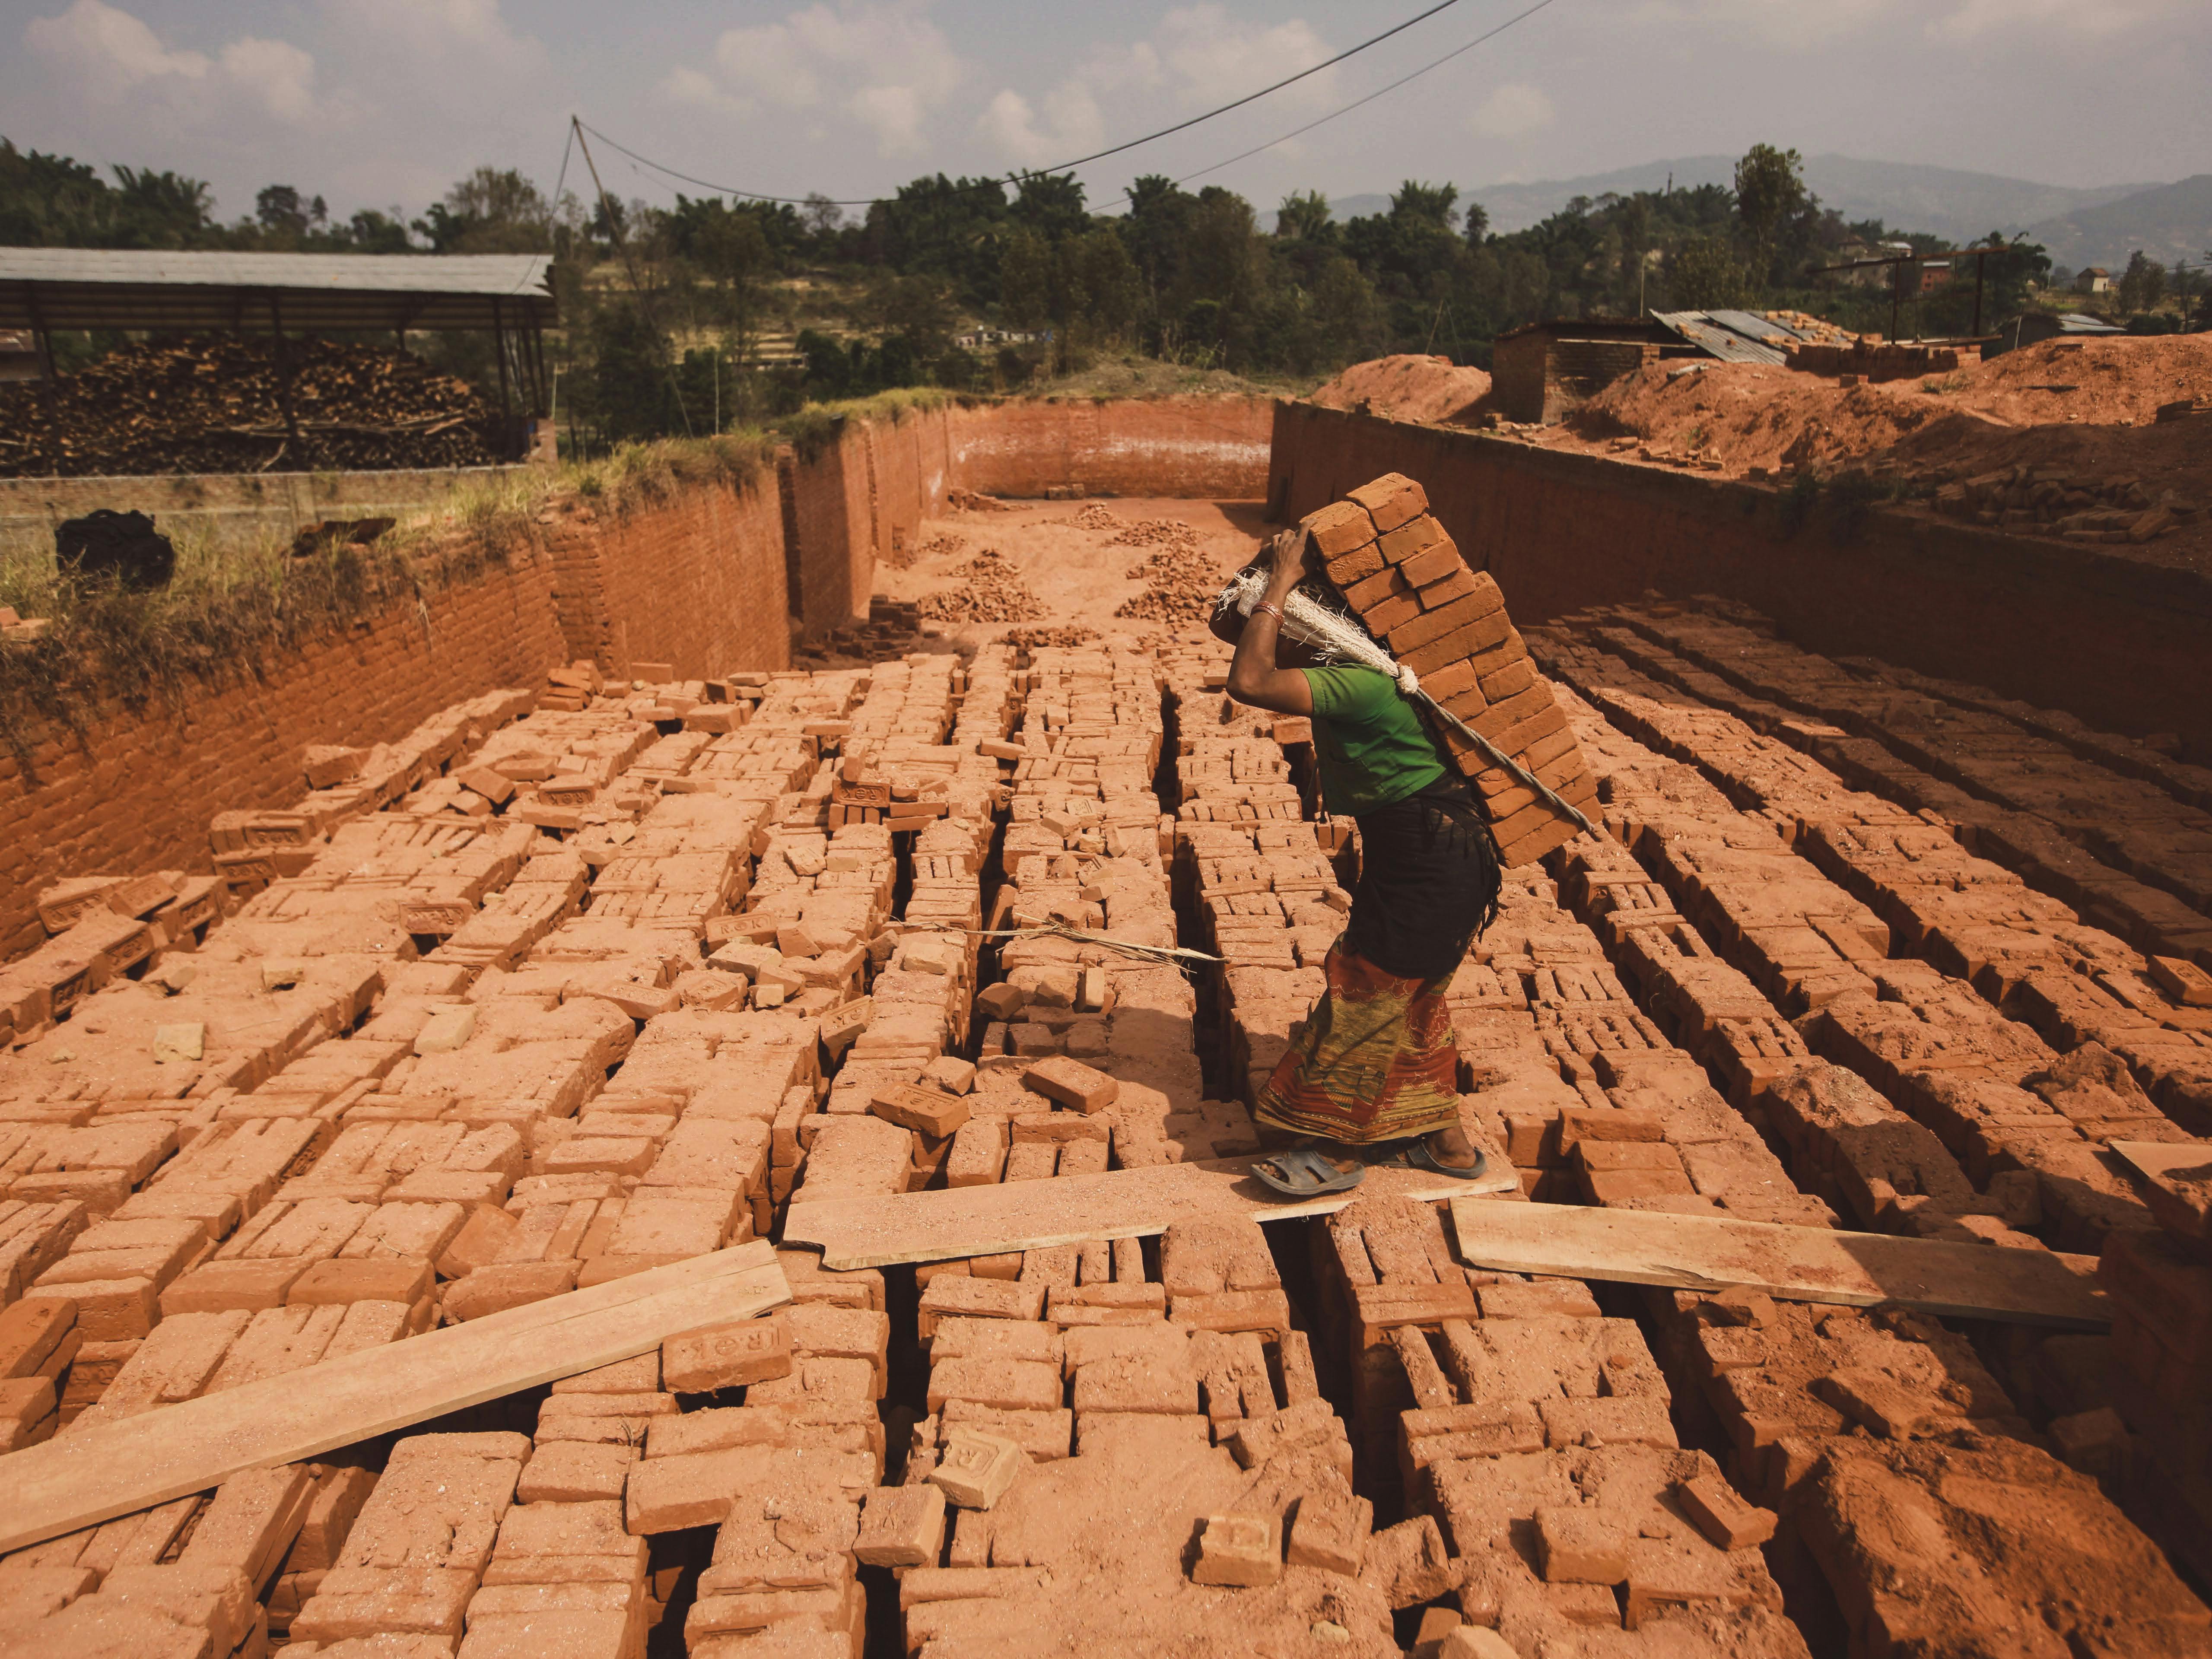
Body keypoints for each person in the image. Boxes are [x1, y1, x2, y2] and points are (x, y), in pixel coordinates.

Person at [1214, 522, 1502, 1197]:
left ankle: (1336, 1151)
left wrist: (1280, 584)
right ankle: (1445, 1144)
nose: (1266, 635)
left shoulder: (1358, 683)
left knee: (1369, 992)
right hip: (1435, 857)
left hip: (1432, 861)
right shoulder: (1361, 673)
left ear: (1306, 627)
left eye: (1275, 624)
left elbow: (1250, 680)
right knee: (1417, 997)